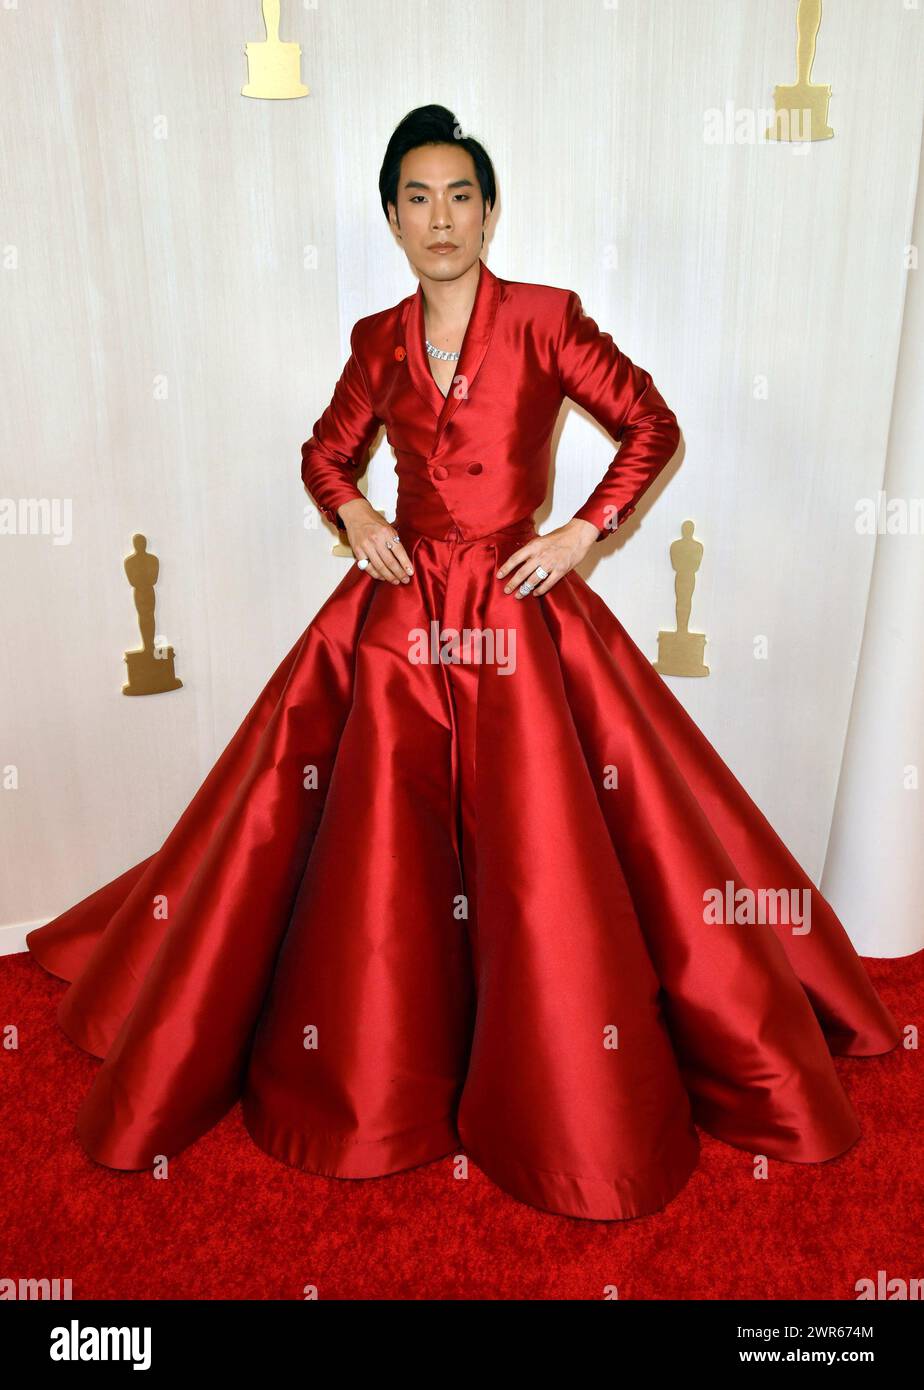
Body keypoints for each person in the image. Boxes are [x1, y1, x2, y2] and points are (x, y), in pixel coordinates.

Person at [26, 104, 901, 1222]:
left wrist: (585, 530)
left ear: (490, 212)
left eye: (460, 196)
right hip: (394, 625)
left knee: (548, 849)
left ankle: (561, 1083)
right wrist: (351, 513)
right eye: (417, 198)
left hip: (516, 610)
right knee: (371, 856)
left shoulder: (546, 319)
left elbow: (652, 423)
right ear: (390, 217)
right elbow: (324, 451)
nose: (440, 217)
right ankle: (380, 1075)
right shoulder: (376, 339)